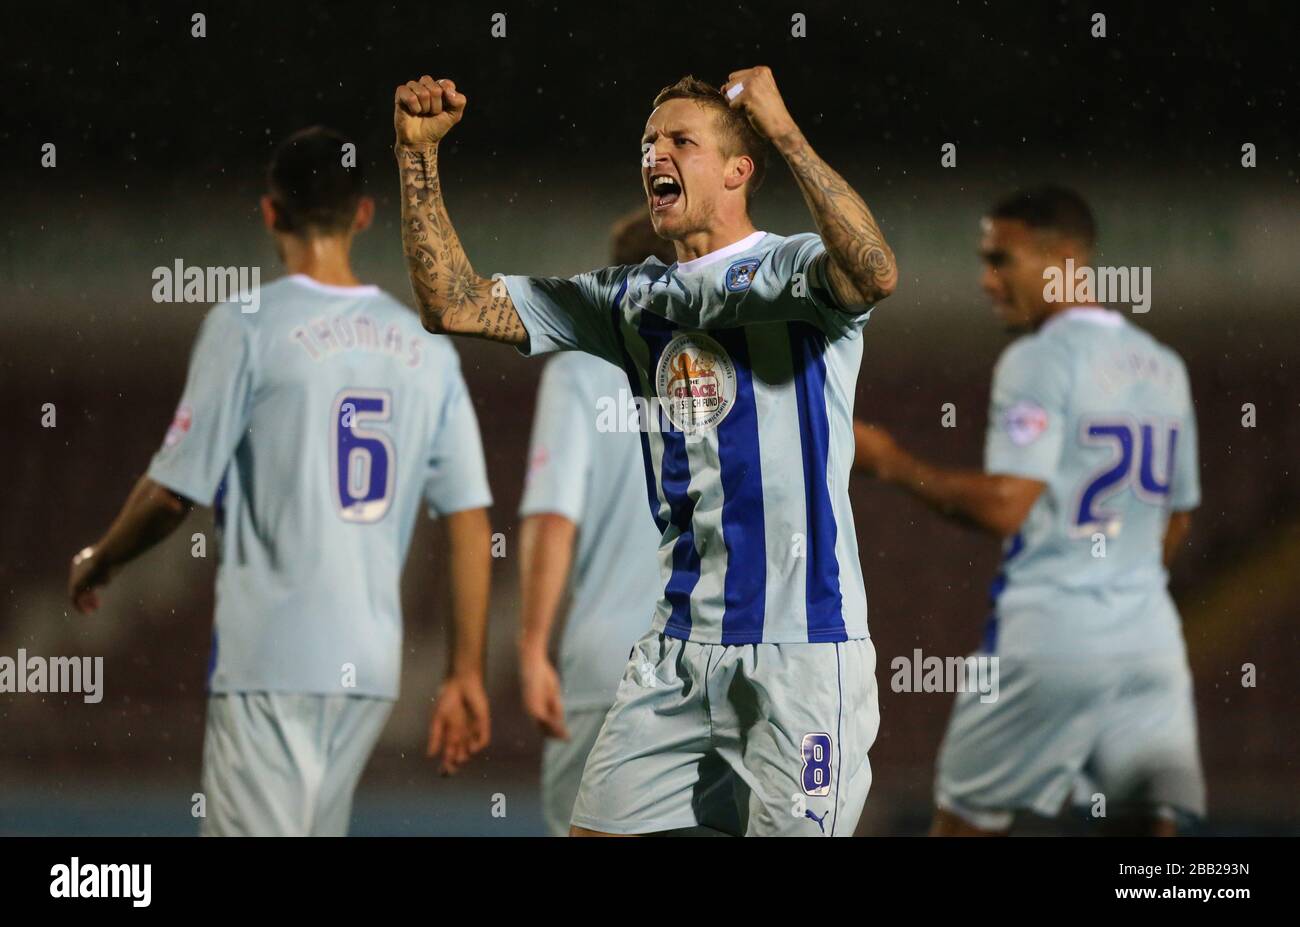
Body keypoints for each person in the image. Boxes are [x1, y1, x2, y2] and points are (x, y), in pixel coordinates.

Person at [392, 66, 898, 835]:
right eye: (647, 142)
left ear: (738, 170)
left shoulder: (796, 270)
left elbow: (876, 270)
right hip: (676, 654)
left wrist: (786, 129)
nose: (655, 153)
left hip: (803, 650)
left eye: (680, 140)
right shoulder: (628, 301)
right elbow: (453, 302)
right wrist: (417, 156)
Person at [67, 126, 495, 836]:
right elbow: (470, 520)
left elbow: (174, 491)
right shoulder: (424, 346)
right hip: (370, 662)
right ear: (363, 215)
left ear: (271, 213)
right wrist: (466, 673)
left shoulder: (247, 324)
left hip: (274, 655)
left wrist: (100, 558)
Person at [853, 186, 1204, 836]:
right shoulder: (1165, 366)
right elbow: (1177, 517)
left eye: (1001, 260)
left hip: (1051, 635)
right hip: (1149, 643)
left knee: (964, 825)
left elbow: (1008, 505)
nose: (987, 281)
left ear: (1064, 258)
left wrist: (889, 461)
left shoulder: (1039, 358)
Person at [517, 210, 675, 836]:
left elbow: (553, 517)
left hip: (607, 665)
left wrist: (532, 647)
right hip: (711, 657)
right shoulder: (725, 372)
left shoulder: (579, 371)